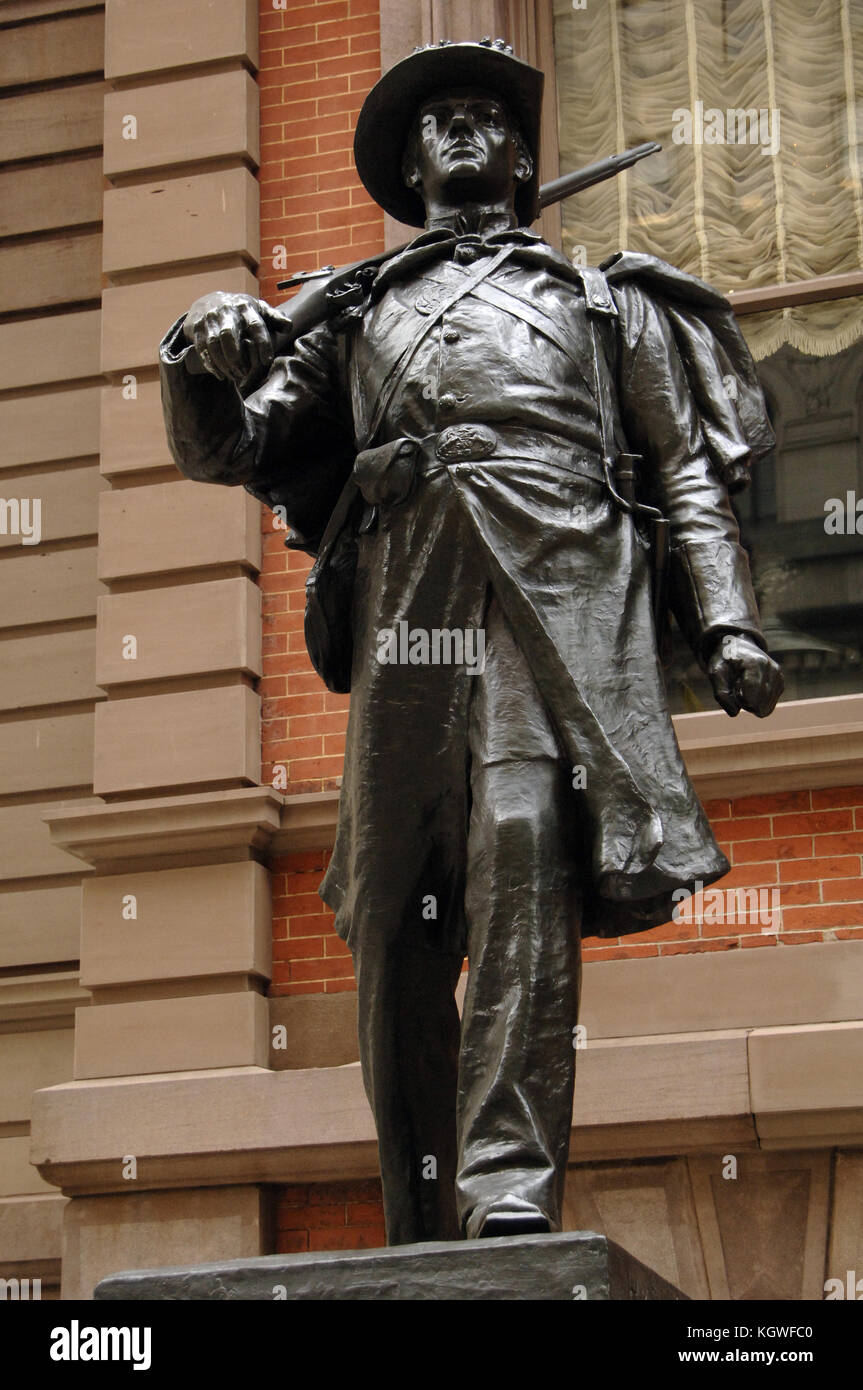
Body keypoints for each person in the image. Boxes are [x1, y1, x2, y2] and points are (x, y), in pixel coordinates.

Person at [159, 39, 783, 1246]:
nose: (458, 132)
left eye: (481, 118)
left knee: (518, 849)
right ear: (405, 163)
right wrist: (201, 351)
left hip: (551, 614)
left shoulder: (602, 302)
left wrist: (725, 620)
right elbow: (227, 448)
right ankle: (420, 1211)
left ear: (516, 154)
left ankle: (507, 1193)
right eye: (433, 120)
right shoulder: (352, 315)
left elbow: (685, 475)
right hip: (410, 623)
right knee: (395, 922)